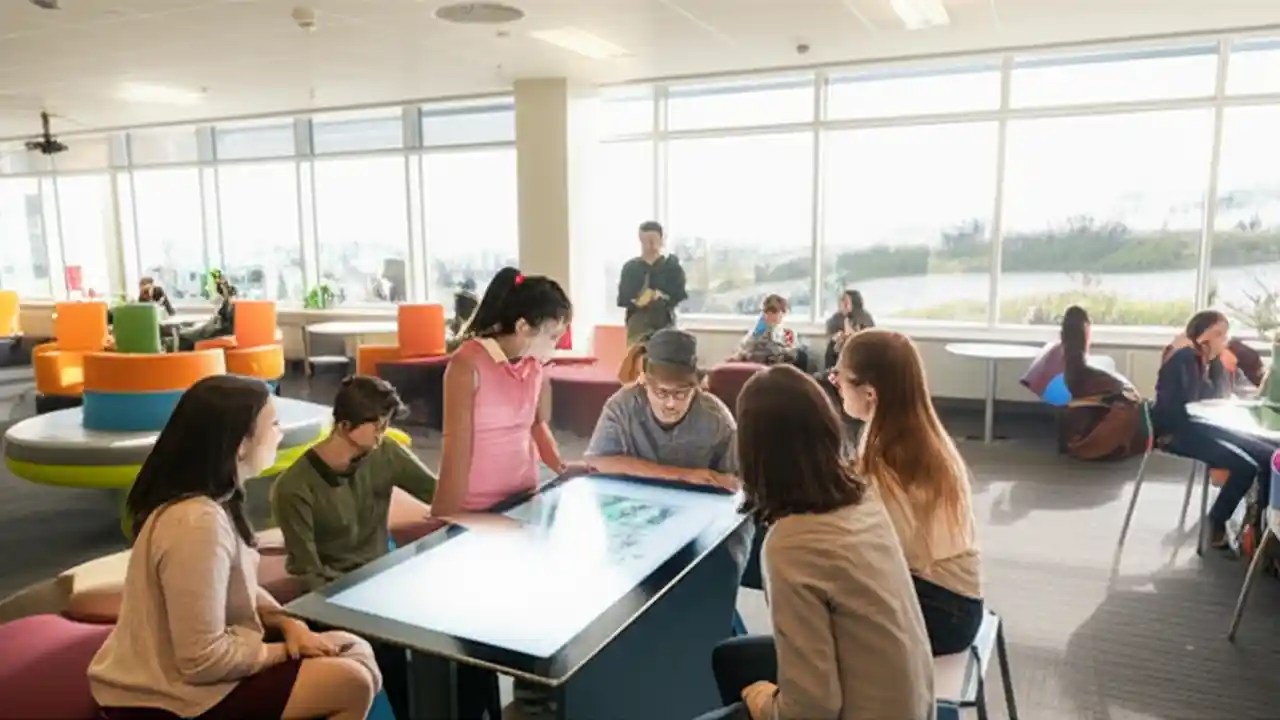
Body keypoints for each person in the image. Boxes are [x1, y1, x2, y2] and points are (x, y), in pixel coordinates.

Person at [88, 375, 381, 720]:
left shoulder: (214, 503)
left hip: (183, 676)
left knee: (354, 650)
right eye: (273, 424)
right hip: (162, 697)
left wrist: (290, 626)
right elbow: (201, 660)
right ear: (240, 444)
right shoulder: (197, 524)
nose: (280, 433)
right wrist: (282, 652)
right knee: (351, 682)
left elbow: (237, 586)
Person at [694, 365, 933, 720]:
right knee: (731, 658)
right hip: (909, 701)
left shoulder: (790, 546)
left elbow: (811, 710)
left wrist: (759, 698)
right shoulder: (863, 495)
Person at [271, 376, 438, 720]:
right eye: (377, 426)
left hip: (381, 583)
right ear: (344, 426)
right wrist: (355, 613)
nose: (383, 433)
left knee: (440, 643)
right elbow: (308, 572)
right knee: (388, 654)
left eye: (387, 424)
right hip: (333, 597)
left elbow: (438, 494)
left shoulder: (386, 452)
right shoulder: (294, 487)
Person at [834, 329, 984, 655]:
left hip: (943, 609)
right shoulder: (917, 434)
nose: (836, 385)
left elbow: (892, 552)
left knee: (815, 584)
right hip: (956, 599)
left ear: (869, 393)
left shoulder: (890, 455)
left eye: (840, 377)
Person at [431, 265, 579, 518]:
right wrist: (444, 516)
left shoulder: (534, 365)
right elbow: (456, 448)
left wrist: (562, 467)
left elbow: (536, 425)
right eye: (553, 337)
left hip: (524, 498)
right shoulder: (467, 364)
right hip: (478, 506)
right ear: (523, 327)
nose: (556, 347)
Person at [1153, 310, 1279, 548]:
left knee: (1269, 453)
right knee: (1246, 466)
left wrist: (1217, 363)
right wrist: (1210, 360)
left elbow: (1215, 397)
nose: (1224, 340)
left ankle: (1259, 527)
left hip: (1203, 425)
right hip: (1179, 432)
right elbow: (1190, 404)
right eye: (1218, 334)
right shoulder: (1185, 357)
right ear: (1204, 334)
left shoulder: (1200, 359)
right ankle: (1219, 522)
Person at [1055, 306, 1147, 460]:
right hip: (1091, 404)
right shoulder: (1078, 367)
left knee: (1131, 403)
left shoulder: (1072, 362)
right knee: (1130, 407)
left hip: (1091, 400)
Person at [617, 220, 688, 346]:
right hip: (638, 324)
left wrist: (662, 296)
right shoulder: (631, 268)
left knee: (663, 359)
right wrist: (639, 300)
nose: (650, 245)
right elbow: (624, 298)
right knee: (637, 358)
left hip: (664, 322)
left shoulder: (672, 267)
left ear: (661, 240)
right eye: (646, 240)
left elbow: (679, 295)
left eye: (653, 240)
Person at [732, 294, 807, 369]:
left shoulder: (787, 332)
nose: (770, 315)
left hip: (779, 357)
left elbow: (792, 347)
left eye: (775, 312)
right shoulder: (759, 329)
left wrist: (788, 349)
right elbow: (747, 347)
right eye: (768, 312)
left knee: (801, 355)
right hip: (764, 357)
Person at [824, 290, 874, 369]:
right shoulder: (836, 318)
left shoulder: (864, 317)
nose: (843, 304)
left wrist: (852, 334)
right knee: (831, 349)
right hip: (840, 352)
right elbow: (830, 335)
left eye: (846, 302)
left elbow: (868, 339)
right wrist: (836, 338)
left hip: (859, 351)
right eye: (842, 301)